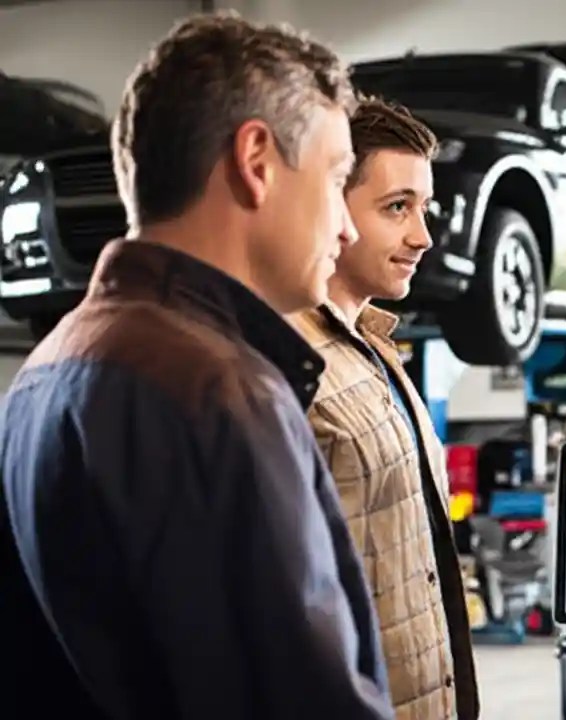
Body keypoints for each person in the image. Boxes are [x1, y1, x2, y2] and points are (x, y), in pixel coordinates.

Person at [0, 12, 395, 719]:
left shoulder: (45, 369)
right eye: (337, 179)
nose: (349, 224)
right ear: (256, 162)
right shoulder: (219, 391)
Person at [288, 96, 479, 720]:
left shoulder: (375, 348)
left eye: (425, 208)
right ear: (330, 206)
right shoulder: (289, 365)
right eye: (398, 208)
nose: (422, 236)